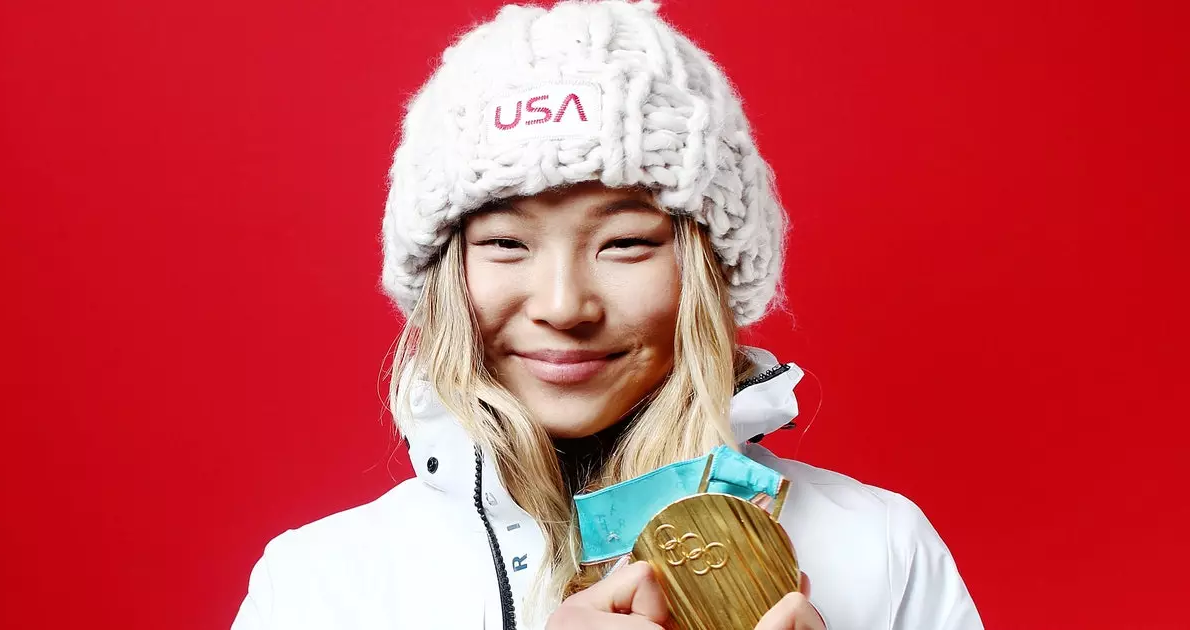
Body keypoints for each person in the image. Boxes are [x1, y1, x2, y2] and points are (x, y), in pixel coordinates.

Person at [232, 1, 982, 628]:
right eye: (504, 242)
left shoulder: (881, 551)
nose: (564, 305)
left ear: (713, 270)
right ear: (441, 276)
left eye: (625, 242)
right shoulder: (318, 587)